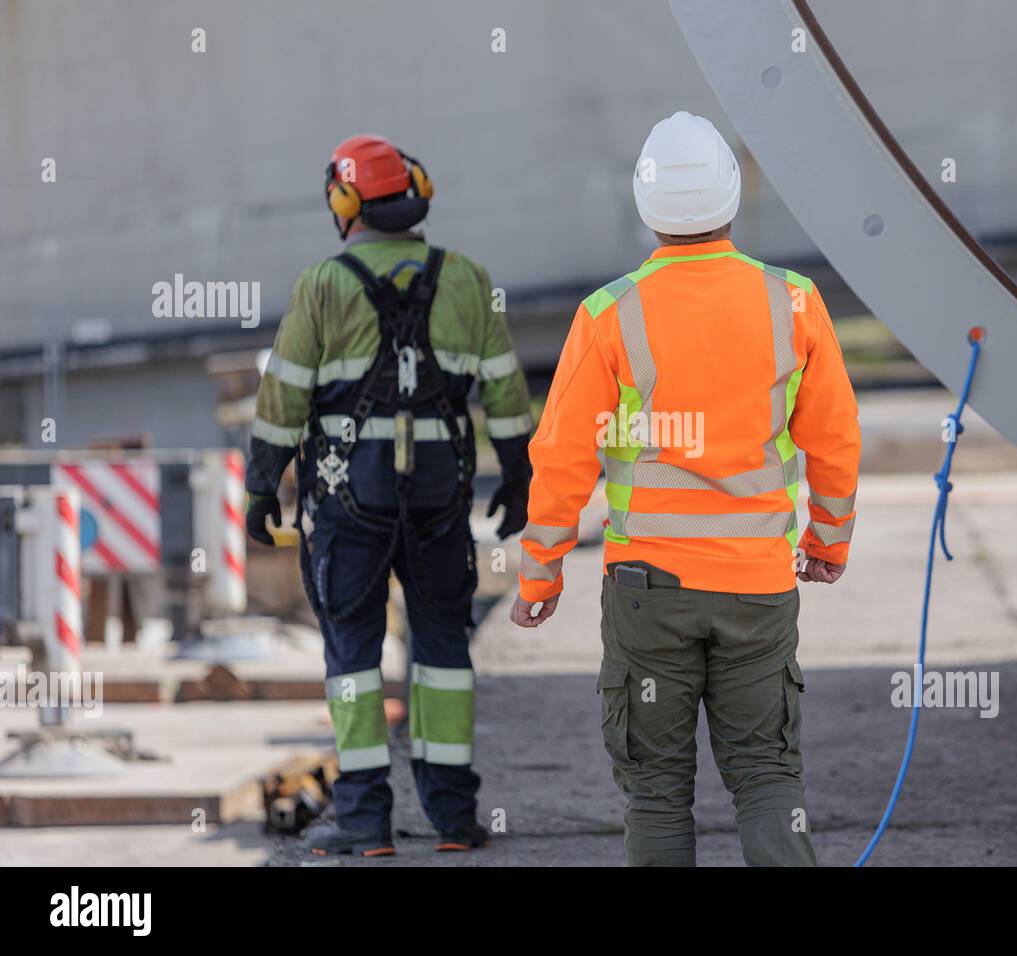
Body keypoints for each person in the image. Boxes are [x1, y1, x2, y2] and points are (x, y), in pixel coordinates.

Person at [510, 112, 861, 866]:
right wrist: (828, 539)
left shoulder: (607, 314)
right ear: (731, 196)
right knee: (767, 773)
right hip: (758, 585)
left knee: (659, 788)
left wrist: (541, 570)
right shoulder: (794, 302)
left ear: (647, 203)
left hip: (648, 592)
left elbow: (563, 453)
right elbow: (833, 437)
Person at [245, 134, 532, 855]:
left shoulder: (321, 284)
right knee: (442, 651)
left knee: (352, 655)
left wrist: (259, 484)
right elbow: (504, 388)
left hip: (349, 503)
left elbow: (281, 398)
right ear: (416, 193)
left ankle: (367, 823)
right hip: (440, 499)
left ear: (344, 202)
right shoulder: (467, 279)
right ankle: (455, 819)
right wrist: (520, 476)